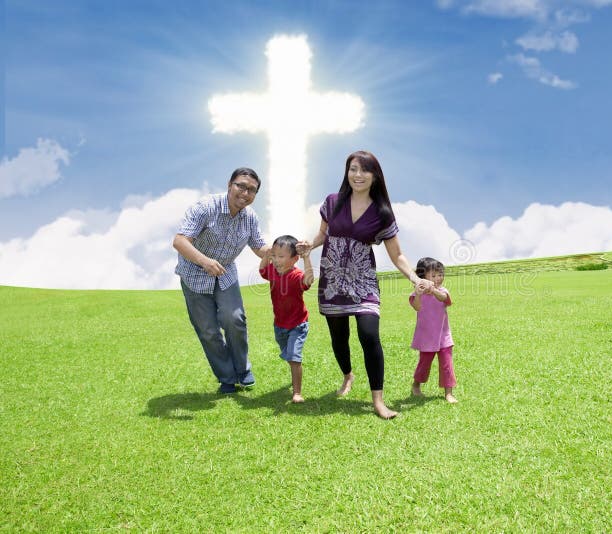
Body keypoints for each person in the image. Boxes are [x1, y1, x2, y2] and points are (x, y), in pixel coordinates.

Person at [297, 150, 432, 419]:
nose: (358, 175)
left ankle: (378, 401)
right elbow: (323, 233)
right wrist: (310, 244)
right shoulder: (333, 201)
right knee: (339, 339)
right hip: (333, 281)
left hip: (363, 282)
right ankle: (348, 375)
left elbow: (397, 254)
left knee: (369, 335)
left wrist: (415, 277)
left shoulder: (382, 213)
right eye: (353, 169)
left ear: (375, 176)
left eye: (364, 170)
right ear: (347, 172)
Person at [173, 167, 269, 394]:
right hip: (194, 273)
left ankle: (242, 370)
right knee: (208, 330)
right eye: (241, 186)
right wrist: (205, 261)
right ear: (229, 184)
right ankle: (227, 377)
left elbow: (259, 247)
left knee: (235, 319)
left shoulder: (250, 218)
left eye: (252, 190)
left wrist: (284, 249)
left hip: (225, 273)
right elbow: (179, 241)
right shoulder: (206, 207)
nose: (245, 193)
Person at [259, 235, 314, 403]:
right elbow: (262, 270)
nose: (276, 260)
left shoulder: (296, 275)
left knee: (294, 358)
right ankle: (293, 365)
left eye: (281, 256)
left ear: (294, 259)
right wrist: (266, 256)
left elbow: (309, 280)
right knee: (289, 355)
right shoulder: (272, 271)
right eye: (274, 256)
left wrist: (307, 258)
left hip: (297, 325)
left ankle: (297, 393)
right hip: (279, 326)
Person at [410, 257, 458, 403]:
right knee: (424, 364)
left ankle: (448, 393)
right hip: (427, 337)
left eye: (440, 274)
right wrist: (419, 293)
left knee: (447, 364)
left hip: (444, 336)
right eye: (434, 275)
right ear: (422, 277)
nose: (438, 278)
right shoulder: (416, 294)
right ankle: (416, 385)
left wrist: (434, 291)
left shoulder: (442, 291)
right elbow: (417, 307)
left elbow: (444, 299)